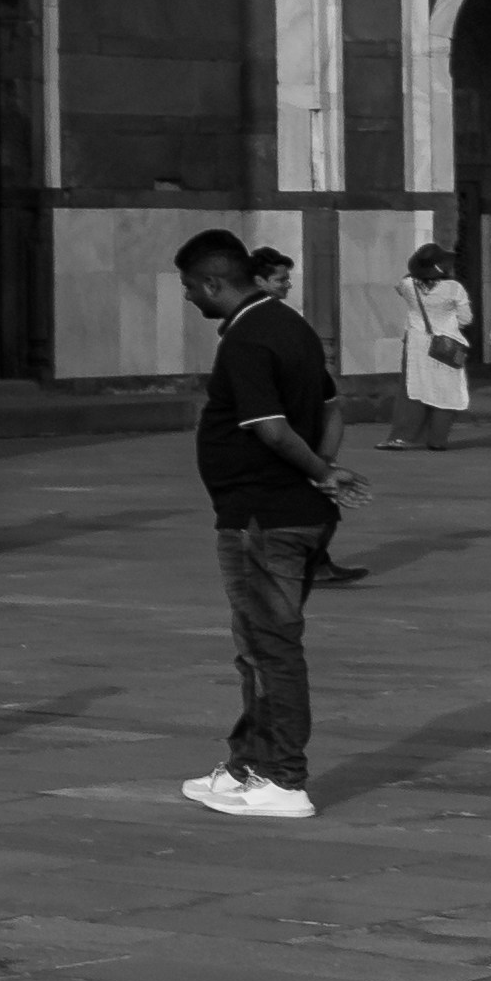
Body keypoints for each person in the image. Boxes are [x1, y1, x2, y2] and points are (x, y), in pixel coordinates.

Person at [174, 223, 350, 820]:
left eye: (190, 288)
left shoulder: (248, 341)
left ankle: (284, 779)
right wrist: (321, 467)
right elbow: (330, 405)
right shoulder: (288, 323)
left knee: (271, 648)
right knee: (255, 647)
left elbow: (270, 428)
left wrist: (320, 474)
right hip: (286, 512)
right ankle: (248, 764)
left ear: (213, 282)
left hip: (263, 518)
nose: (188, 298)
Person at [245, 251, 362, 584]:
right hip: (275, 430)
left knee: (319, 507)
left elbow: (327, 396)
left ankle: (311, 562)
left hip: (299, 423)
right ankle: (292, 565)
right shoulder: (252, 326)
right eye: (280, 279)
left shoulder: (285, 321)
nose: (287, 285)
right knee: (309, 507)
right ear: (259, 281)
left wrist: (324, 456)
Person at [399, 241, 476, 451]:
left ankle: (408, 436)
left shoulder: (408, 285)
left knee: (419, 389)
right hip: (448, 344)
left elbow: (402, 285)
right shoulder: (454, 288)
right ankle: (437, 439)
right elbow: (466, 319)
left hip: (417, 344)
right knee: (448, 392)